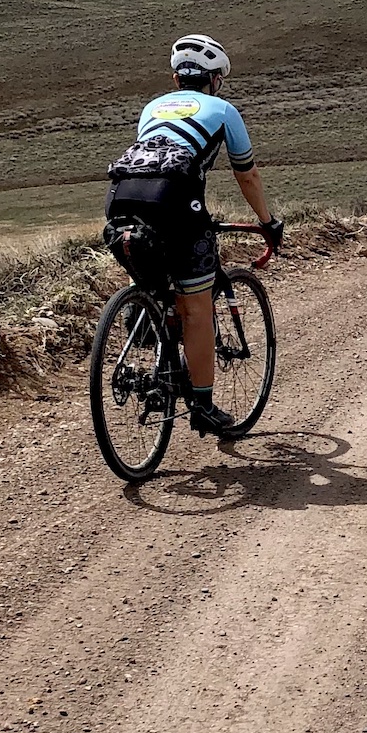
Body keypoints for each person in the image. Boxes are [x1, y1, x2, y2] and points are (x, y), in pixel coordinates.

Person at [111, 34, 282, 435]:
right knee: (197, 308)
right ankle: (202, 404)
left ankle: (147, 313)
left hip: (122, 199)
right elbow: (248, 174)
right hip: (176, 205)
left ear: (176, 80)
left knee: (153, 273)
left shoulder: (151, 107)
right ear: (215, 80)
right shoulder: (224, 110)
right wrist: (268, 221)